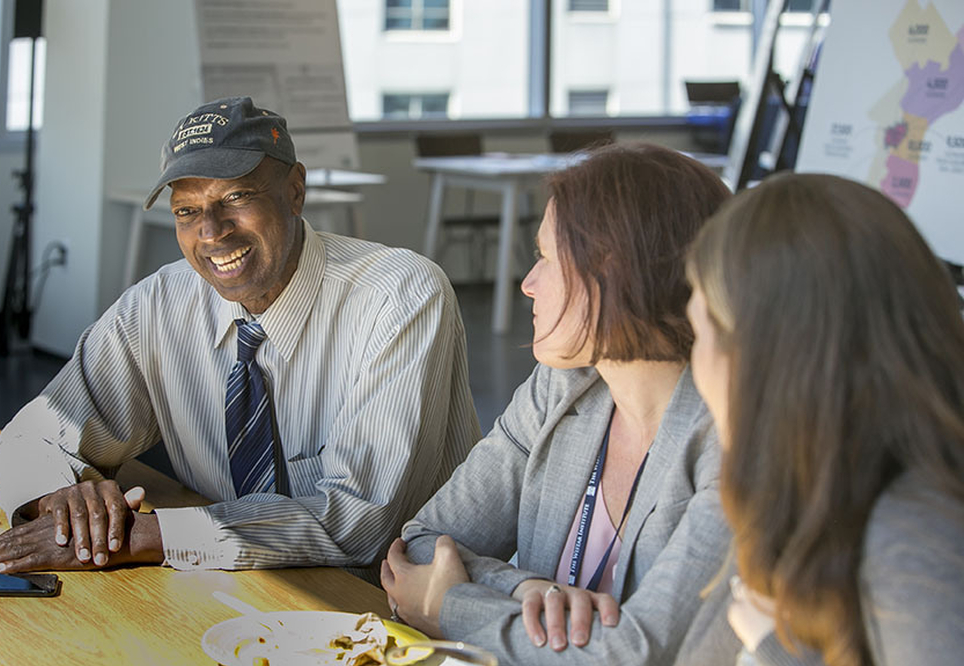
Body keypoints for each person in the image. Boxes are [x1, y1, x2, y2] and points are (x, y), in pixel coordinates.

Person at [0, 96, 480, 582]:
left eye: (236, 196)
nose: (211, 231)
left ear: (295, 190)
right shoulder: (159, 305)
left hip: (392, 604)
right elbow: (31, 437)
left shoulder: (399, 295)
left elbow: (358, 518)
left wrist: (142, 534)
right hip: (239, 592)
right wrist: (60, 499)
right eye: (187, 210)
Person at [380, 143, 734, 665]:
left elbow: (636, 655)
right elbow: (421, 545)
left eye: (546, 257)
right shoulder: (563, 386)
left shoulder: (732, 443)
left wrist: (451, 606)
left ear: (615, 274)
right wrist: (529, 591)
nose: (528, 284)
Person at [679, 173, 964, 666]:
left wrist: (774, 649)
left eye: (699, 330)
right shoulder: (810, 496)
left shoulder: (915, 539)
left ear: (758, 359)